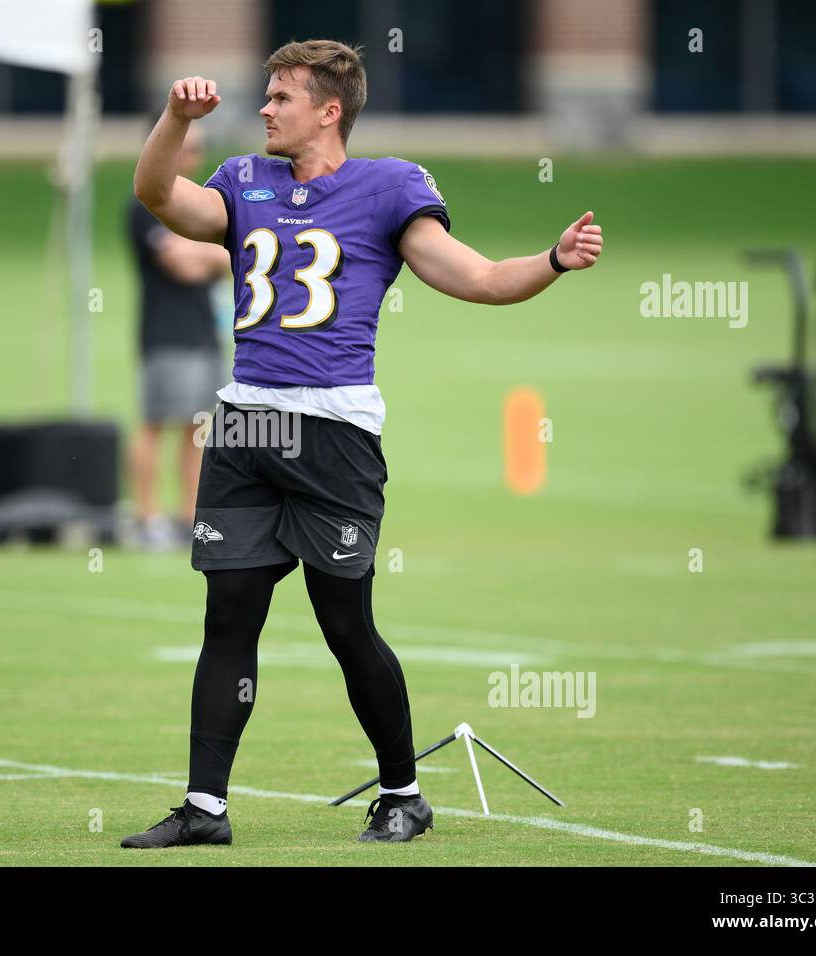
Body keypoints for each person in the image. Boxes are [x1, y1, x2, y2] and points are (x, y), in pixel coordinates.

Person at [123, 39, 603, 846]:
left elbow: (478, 278)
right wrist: (173, 118)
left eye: (282, 97)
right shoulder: (245, 180)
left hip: (334, 429)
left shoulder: (388, 187)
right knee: (228, 617)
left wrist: (553, 260)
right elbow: (158, 197)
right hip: (245, 421)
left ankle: (403, 793)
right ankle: (205, 808)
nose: (266, 109)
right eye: (267, 96)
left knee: (345, 622)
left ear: (330, 109)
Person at [127, 119, 229, 549]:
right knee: (155, 424)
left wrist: (210, 253)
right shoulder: (146, 203)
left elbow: (226, 254)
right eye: (187, 148)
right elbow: (183, 265)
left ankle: (189, 516)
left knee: (198, 428)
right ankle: (146, 517)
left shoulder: (202, 204)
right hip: (167, 333)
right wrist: (221, 254)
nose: (194, 157)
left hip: (206, 331)